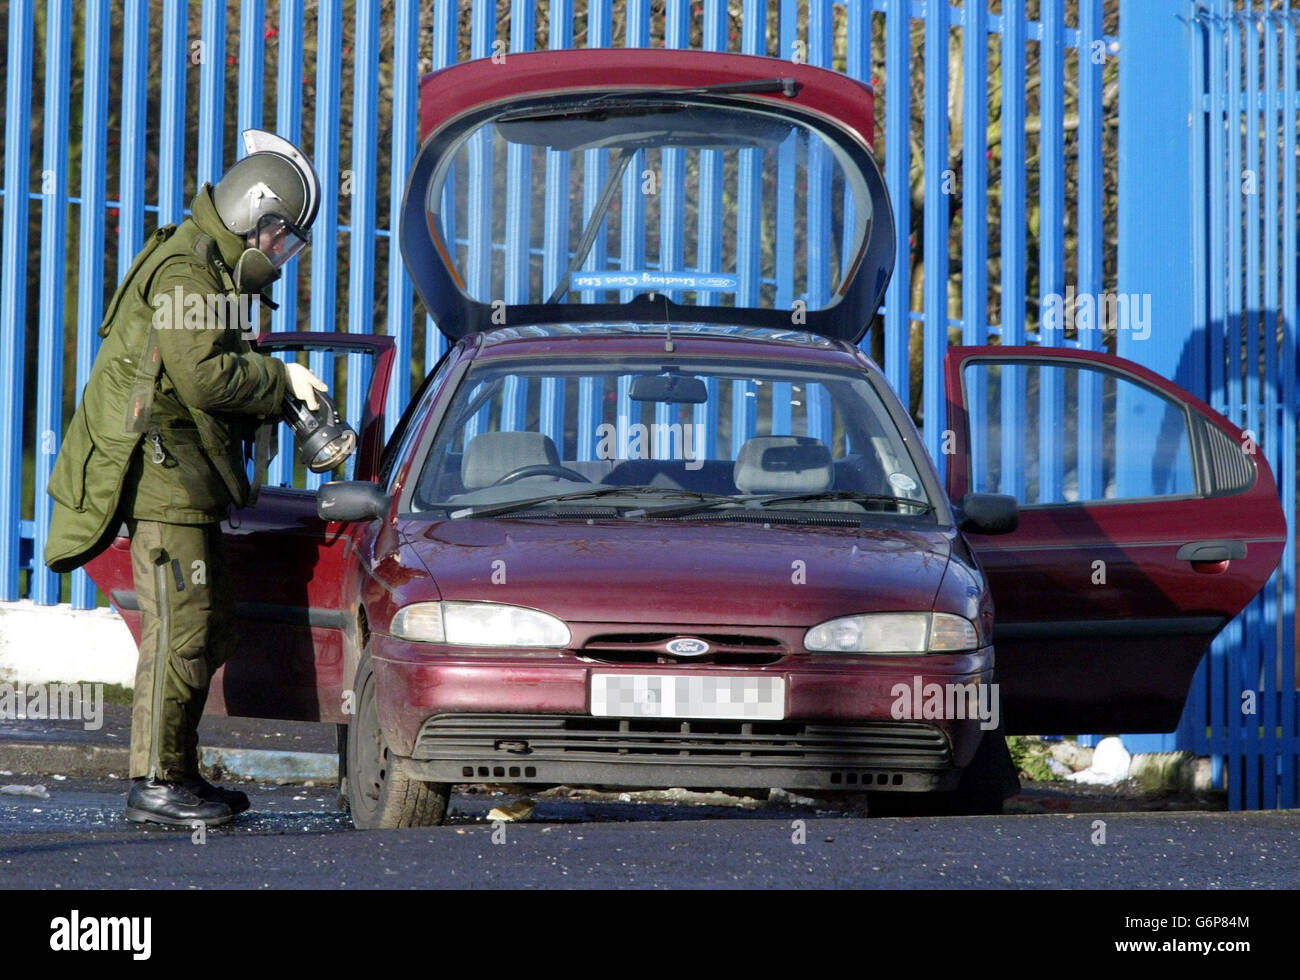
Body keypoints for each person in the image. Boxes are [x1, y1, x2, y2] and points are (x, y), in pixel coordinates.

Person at [45, 130, 329, 828]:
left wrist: (274, 395)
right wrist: (279, 376)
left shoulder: (212, 269)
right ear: (252, 214)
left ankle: (177, 769)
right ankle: (154, 781)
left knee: (210, 623)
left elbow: (206, 365)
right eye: (281, 239)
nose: (282, 258)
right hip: (162, 479)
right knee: (182, 626)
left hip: (186, 476)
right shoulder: (186, 270)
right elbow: (205, 376)